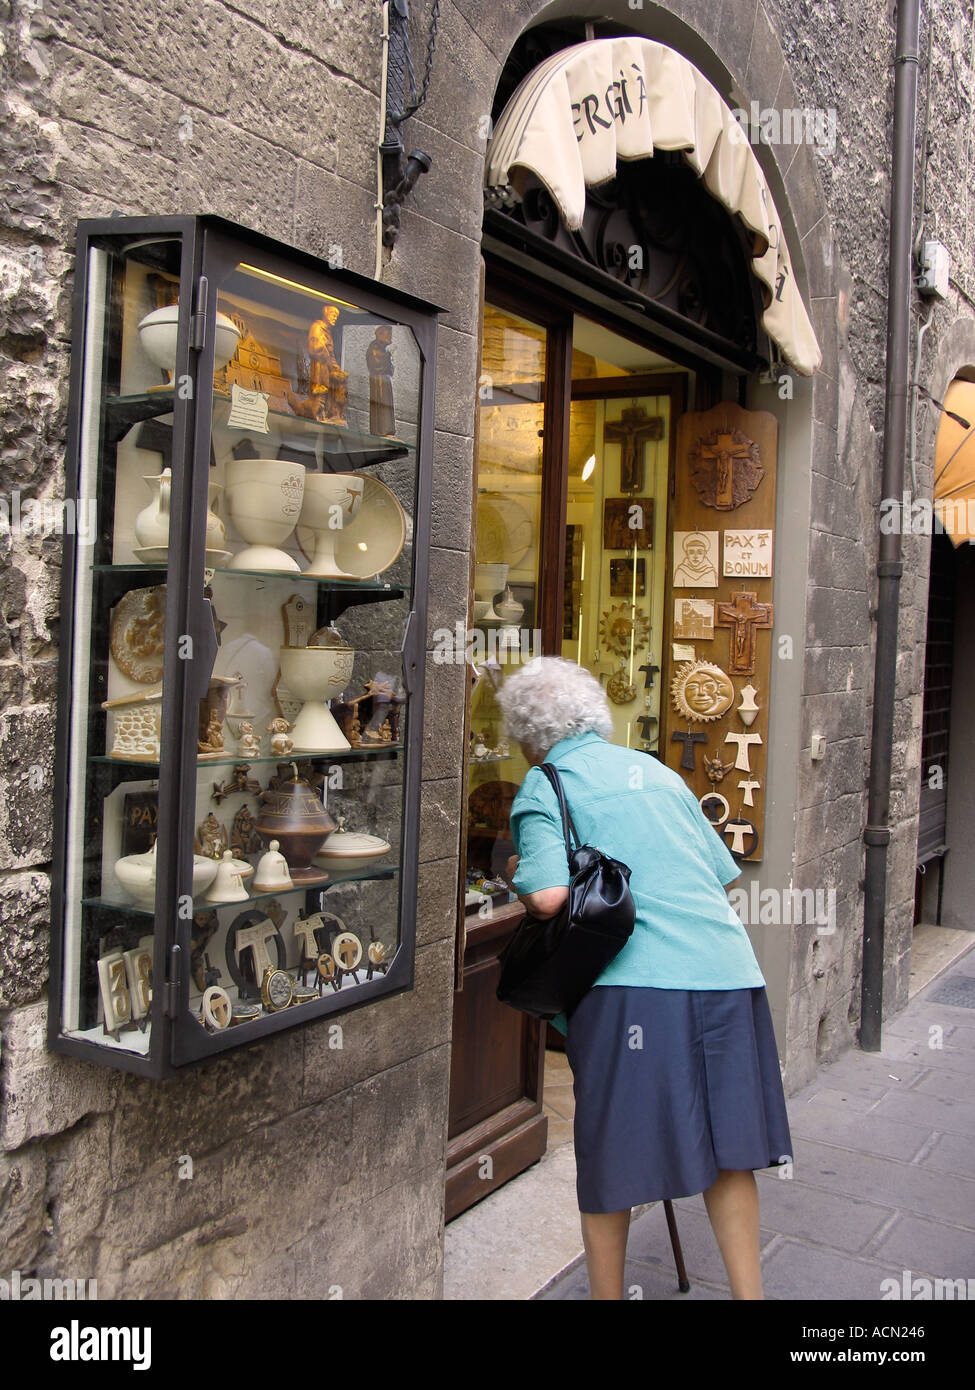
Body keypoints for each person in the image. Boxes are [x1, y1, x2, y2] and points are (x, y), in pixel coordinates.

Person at [496, 657, 792, 1300]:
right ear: (595, 717)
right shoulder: (657, 773)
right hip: (727, 972)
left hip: (634, 987)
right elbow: (719, 873)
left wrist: (521, 869)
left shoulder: (547, 783)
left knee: (611, 1149)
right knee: (729, 1148)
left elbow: (547, 897)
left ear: (527, 735)